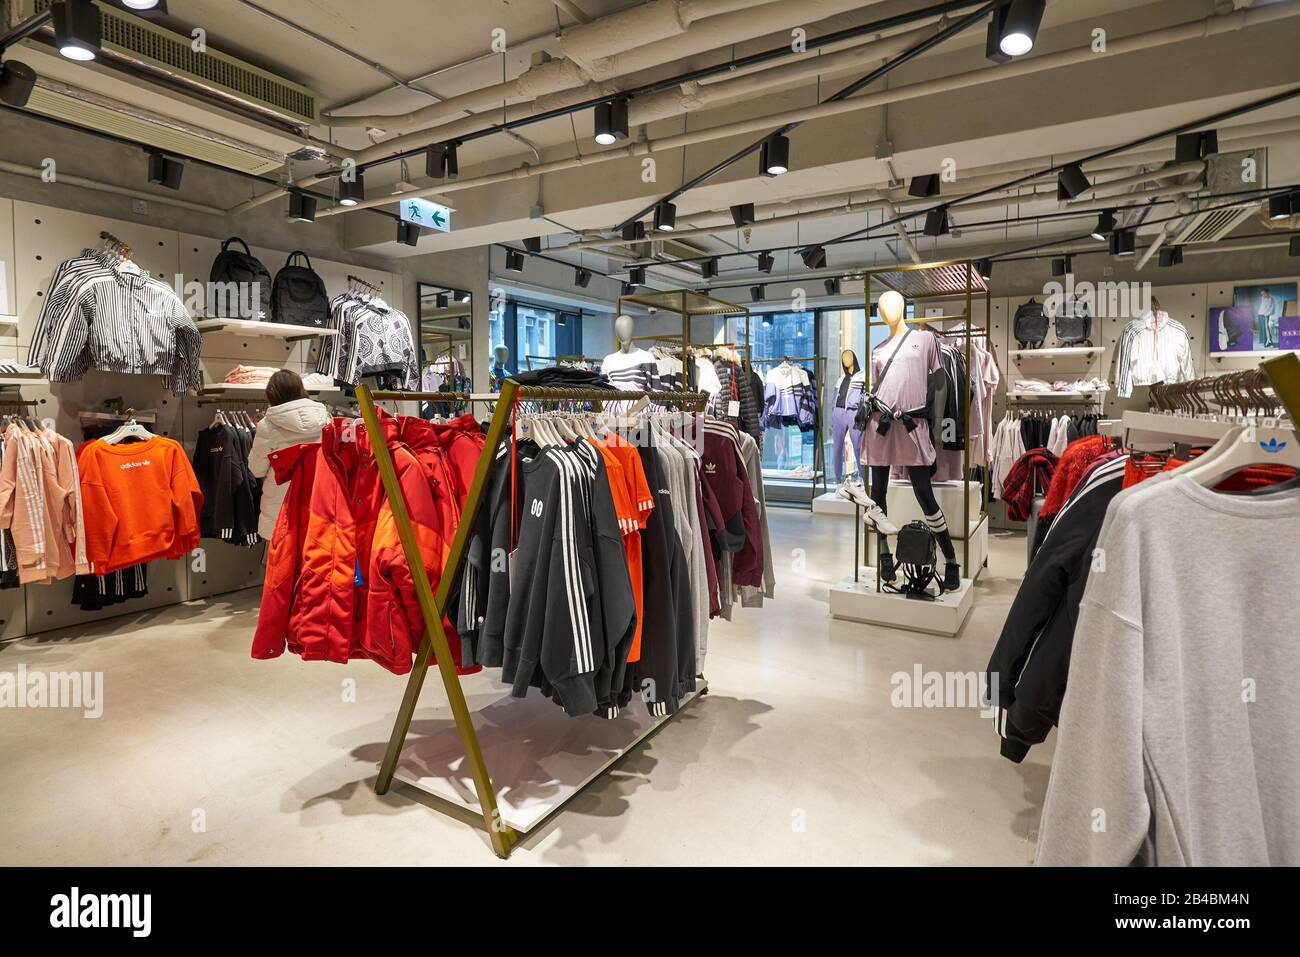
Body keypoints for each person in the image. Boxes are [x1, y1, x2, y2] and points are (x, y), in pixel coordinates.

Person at [247, 370, 329, 540]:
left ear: (272, 393)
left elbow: (256, 470)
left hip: (282, 502)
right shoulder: (326, 418)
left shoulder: (267, 426)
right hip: (318, 498)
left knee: (282, 560)